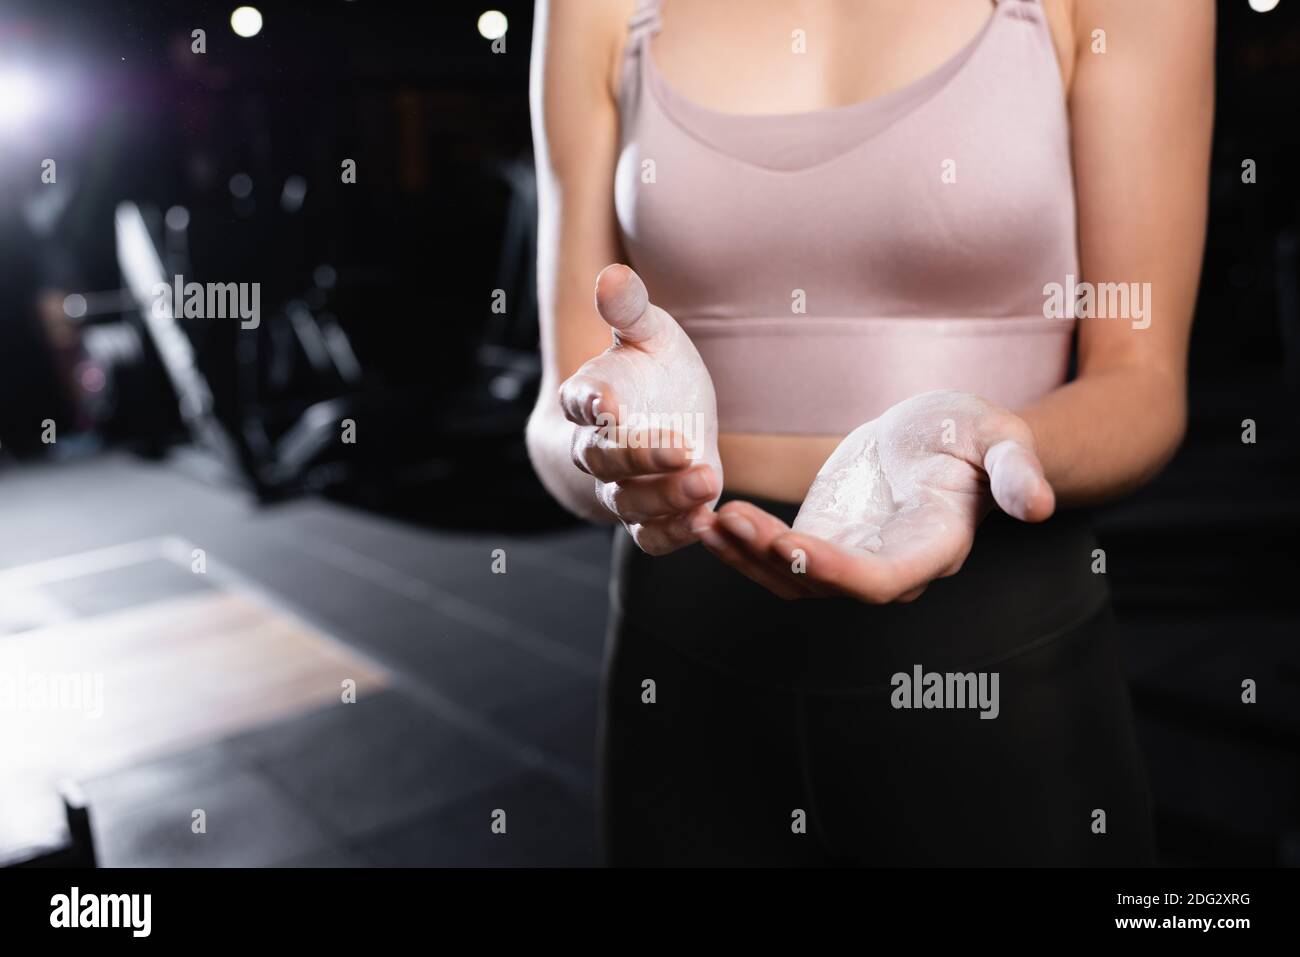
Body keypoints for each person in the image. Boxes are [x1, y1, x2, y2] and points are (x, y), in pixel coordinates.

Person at [527, 0, 1214, 865]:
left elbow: (1142, 384)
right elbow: (558, 409)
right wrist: (614, 458)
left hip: (998, 640)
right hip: (686, 636)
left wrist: (982, 441)